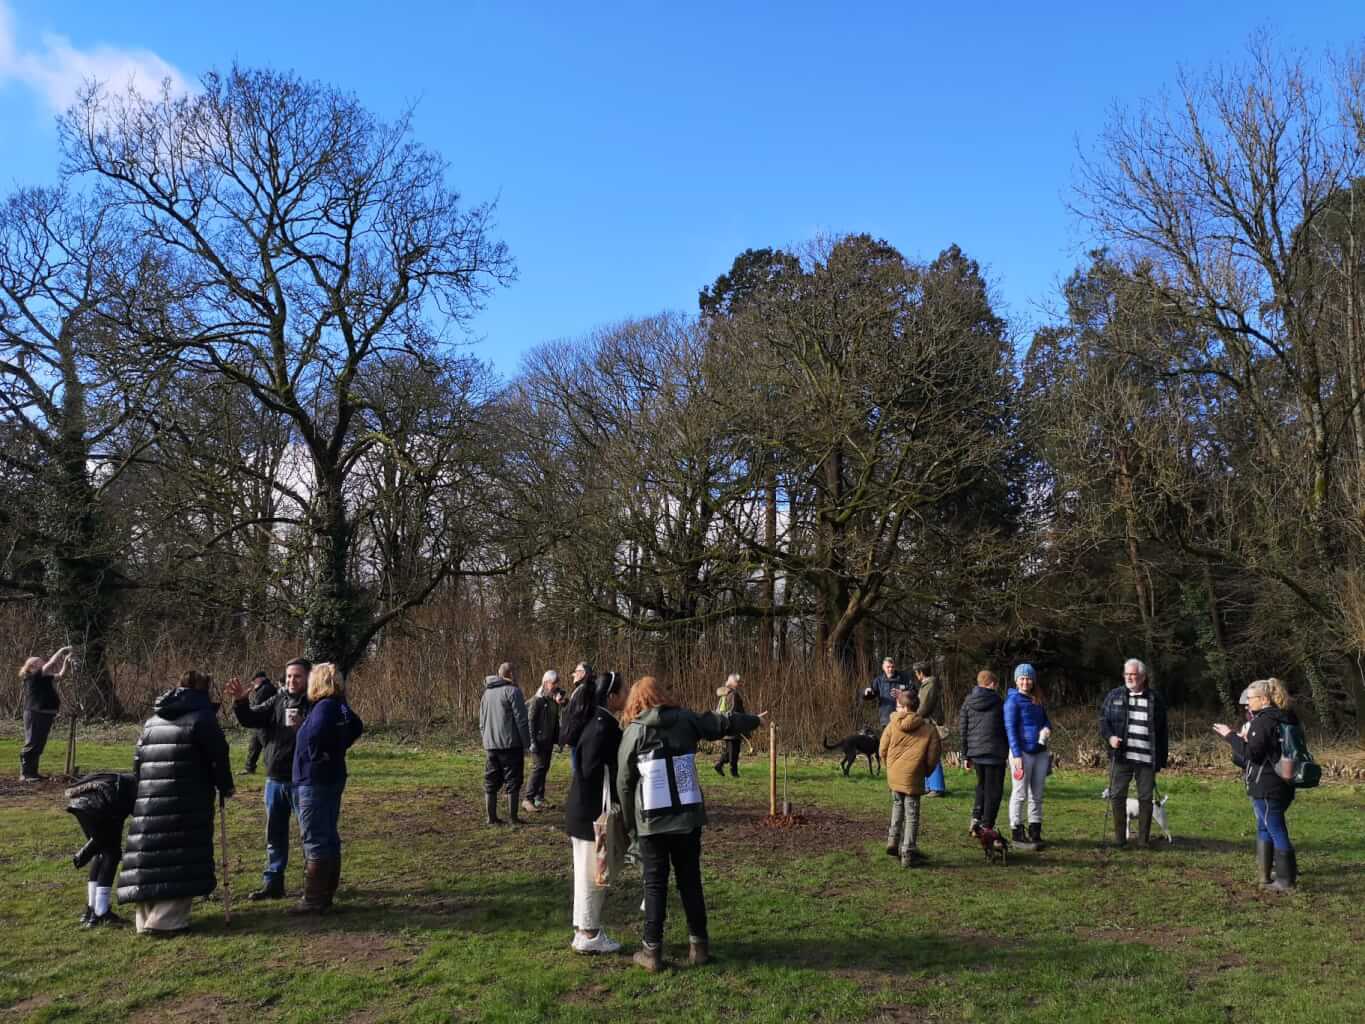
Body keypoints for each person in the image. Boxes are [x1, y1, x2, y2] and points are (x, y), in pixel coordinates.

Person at [617, 675, 765, 971]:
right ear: (662, 694)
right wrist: (753, 722)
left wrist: (630, 824)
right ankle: (699, 946)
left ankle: (652, 951)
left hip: (652, 823)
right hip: (687, 819)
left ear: (636, 701)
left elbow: (624, 781)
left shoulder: (634, 733)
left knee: (655, 885)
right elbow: (721, 723)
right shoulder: (687, 720)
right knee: (690, 882)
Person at [116, 670, 234, 935]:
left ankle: (144, 917)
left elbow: (138, 759)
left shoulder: (153, 720)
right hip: (187, 798)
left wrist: (142, 788)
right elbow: (218, 756)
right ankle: (166, 920)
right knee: (182, 856)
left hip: (150, 797)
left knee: (149, 856)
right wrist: (225, 786)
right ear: (204, 691)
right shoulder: (203, 718)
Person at [224, 658, 312, 900]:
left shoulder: (316, 702)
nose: (293, 681)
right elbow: (251, 719)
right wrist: (241, 701)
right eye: (290, 676)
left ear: (308, 678)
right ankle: (273, 883)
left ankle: (313, 884)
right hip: (274, 779)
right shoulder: (278, 699)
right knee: (274, 835)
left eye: (298, 676)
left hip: (302, 780)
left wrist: (305, 726)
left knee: (308, 835)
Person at [1214, 678, 1300, 891]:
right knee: (1265, 826)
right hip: (1285, 782)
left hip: (1267, 784)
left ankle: (1285, 880)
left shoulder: (1263, 721)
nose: (1247, 703)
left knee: (1275, 828)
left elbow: (1251, 754)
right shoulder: (1288, 717)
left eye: (1250, 699)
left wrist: (1230, 736)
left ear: (1263, 699)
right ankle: (1266, 875)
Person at [563, 671, 628, 954]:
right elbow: (589, 768)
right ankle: (589, 934)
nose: (626, 696)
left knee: (585, 874)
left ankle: (583, 930)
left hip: (580, 809)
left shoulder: (595, 721)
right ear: (611, 696)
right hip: (591, 813)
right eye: (623, 691)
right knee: (594, 874)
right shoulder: (603, 727)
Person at [292, 662, 364, 913]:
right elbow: (357, 726)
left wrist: (319, 754)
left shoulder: (323, 708)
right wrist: (338, 748)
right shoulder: (340, 706)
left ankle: (314, 899)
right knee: (328, 835)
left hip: (315, 780)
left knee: (315, 836)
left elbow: (316, 736)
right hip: (331, 777)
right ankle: (326, 892)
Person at [1099, 658, 1169, 849]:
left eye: (1133, 674)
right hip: (1121, 757)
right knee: (1117, 796)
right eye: (1127, 674)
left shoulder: (1155, 699)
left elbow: (1163, 731)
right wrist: (1111, 737)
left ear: (1143, 677)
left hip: (1146, 758)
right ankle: (1120, 839)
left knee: (1146, 798)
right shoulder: (1114, 696)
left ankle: (1143, 841)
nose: (1129, 678)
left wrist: (1161, 760)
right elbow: (1103, 721)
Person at [879, 688, 942, 868]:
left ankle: (893, 841)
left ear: (903, 707)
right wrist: (925, 772)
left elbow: (882, 749)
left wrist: (889, 767)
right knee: (912, 814)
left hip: (894, 774)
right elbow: (933, 756)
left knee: (897, 806)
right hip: (914, 775)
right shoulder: (929, 729)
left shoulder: (892, 724)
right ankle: (908, 851)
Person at [67, 771, 136, 928]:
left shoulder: (128, 780)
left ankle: (91, 910)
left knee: (101, 852)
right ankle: (101, 911)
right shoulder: (140, 787)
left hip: (80, 803)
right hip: (100, 805)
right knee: (111, 854)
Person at [1004, 663, 1052, 849]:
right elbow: (1010, 729)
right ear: (1017, 680)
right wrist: (1016, 754)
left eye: (1028, 678)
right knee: (1020, 793)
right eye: (1022, 678)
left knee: (1037, 794)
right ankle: (1016, 830)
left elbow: (1045, 719)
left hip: (1040, 752)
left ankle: (1035, 831)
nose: (1025, 682)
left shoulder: (1037, 699)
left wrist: (1047, 728)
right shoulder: (1012, 701)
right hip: (1021, 753)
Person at [480, 661, 530, 825]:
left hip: (491, 745)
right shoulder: (513, 692)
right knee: (513, 781)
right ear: (510, 674)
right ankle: (513, 818)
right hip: (510, 745)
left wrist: (486, 739)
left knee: (491, 781)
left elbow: (481, 722)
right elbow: (522, 720)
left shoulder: (486, 694)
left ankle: (491, 818)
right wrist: (526, 743)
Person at [959, 670, 1007, 834]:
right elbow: (1004, 727)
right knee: (994, 791)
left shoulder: (967, 701)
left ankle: (976, 818)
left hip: (976, 752)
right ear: (992, 684)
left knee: (982, 786)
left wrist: (965, 754)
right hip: (995, 752)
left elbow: (963, 729)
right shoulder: (998, 701)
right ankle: (987, 826)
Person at [18, 645, 74, 781]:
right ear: (31, 667)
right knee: (32, 742)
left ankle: (33, 773)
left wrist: (66, 663)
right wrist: (61, 650)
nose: (42, 662)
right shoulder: (33, 676)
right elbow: (51, 663)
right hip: (35, 713)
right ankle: (25, 774)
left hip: (46, 713)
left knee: (39, 743)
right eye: (39, 661)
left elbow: (60, 676)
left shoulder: (44, 677)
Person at [525, 670, 562, 812]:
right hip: (538, 742)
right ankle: (528, 799)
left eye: (557, 683)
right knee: (538, 768)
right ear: (546, 683)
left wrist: (558, 739)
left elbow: (556, 721)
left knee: (544, 769)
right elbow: (531, 721)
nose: (556, 686)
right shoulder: (537, 700)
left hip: (548, 741)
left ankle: (539, 798)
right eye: (554, 683)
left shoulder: (553, 700)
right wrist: (532, 741)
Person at [913, 661, 947, 797]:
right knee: (926, 755)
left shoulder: (930, 685)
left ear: (920, 673)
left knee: (932, 754)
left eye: (916, 673)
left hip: (930, 724)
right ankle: (929, 786)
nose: (916, 676)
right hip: (927, 724)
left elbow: (924, 707)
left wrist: (913, 716)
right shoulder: (928, 685)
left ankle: (937, 787)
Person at [239, 670, 278, 775]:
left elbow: (259, 706)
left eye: (254, 680)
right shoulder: (264, 688)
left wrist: (249, 711)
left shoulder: (265, 689)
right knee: (254, 746)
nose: (253, 683)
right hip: (259, 723)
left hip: (264, 723)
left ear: (260, 678)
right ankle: (249, 767)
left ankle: (272, 768)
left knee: (267, 746)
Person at [712, 673, 747, 777]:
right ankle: (733, 772)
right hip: (732, 726)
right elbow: (734, 711)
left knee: (730, 751)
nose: (739, 684)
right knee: (733, 752)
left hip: (726, 725)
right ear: (733, 683)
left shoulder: (724, 693)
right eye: (737, 682)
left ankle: (719, 765)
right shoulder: (732, 694)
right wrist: (744, 720)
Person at [863, 656, 912, 729]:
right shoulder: (878, 681)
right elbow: (870, 694)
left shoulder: (904, 678)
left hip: (903, 716)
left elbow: (913, 692)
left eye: (892, 667)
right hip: (886, 718)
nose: (890, 669)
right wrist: (866, 692)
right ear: (883, 667)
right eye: (888, 667)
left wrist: (902, 693)